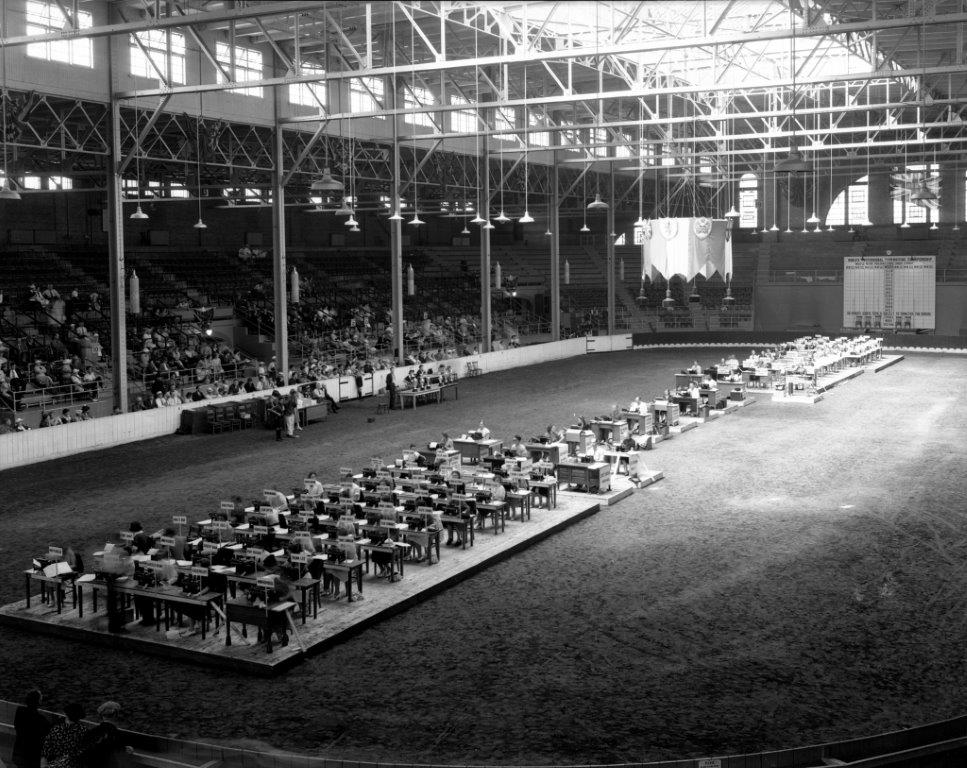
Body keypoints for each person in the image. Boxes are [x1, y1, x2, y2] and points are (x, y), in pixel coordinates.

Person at [80, 702, 133, 768]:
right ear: (115, 715)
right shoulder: (115, 733)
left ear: (102, 715)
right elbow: (117, 747)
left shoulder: (93, 731)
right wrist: (126, 748)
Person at [41, 702, 88, 768]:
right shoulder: (84, 731)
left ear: (66, 714)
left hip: (55, 764)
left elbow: (45, 751)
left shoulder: (56, 729)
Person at [12, 688, 50, 768]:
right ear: (38, 702)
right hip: (32, 756)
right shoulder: (42, 720)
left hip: (19, 752)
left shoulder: (20, 711)